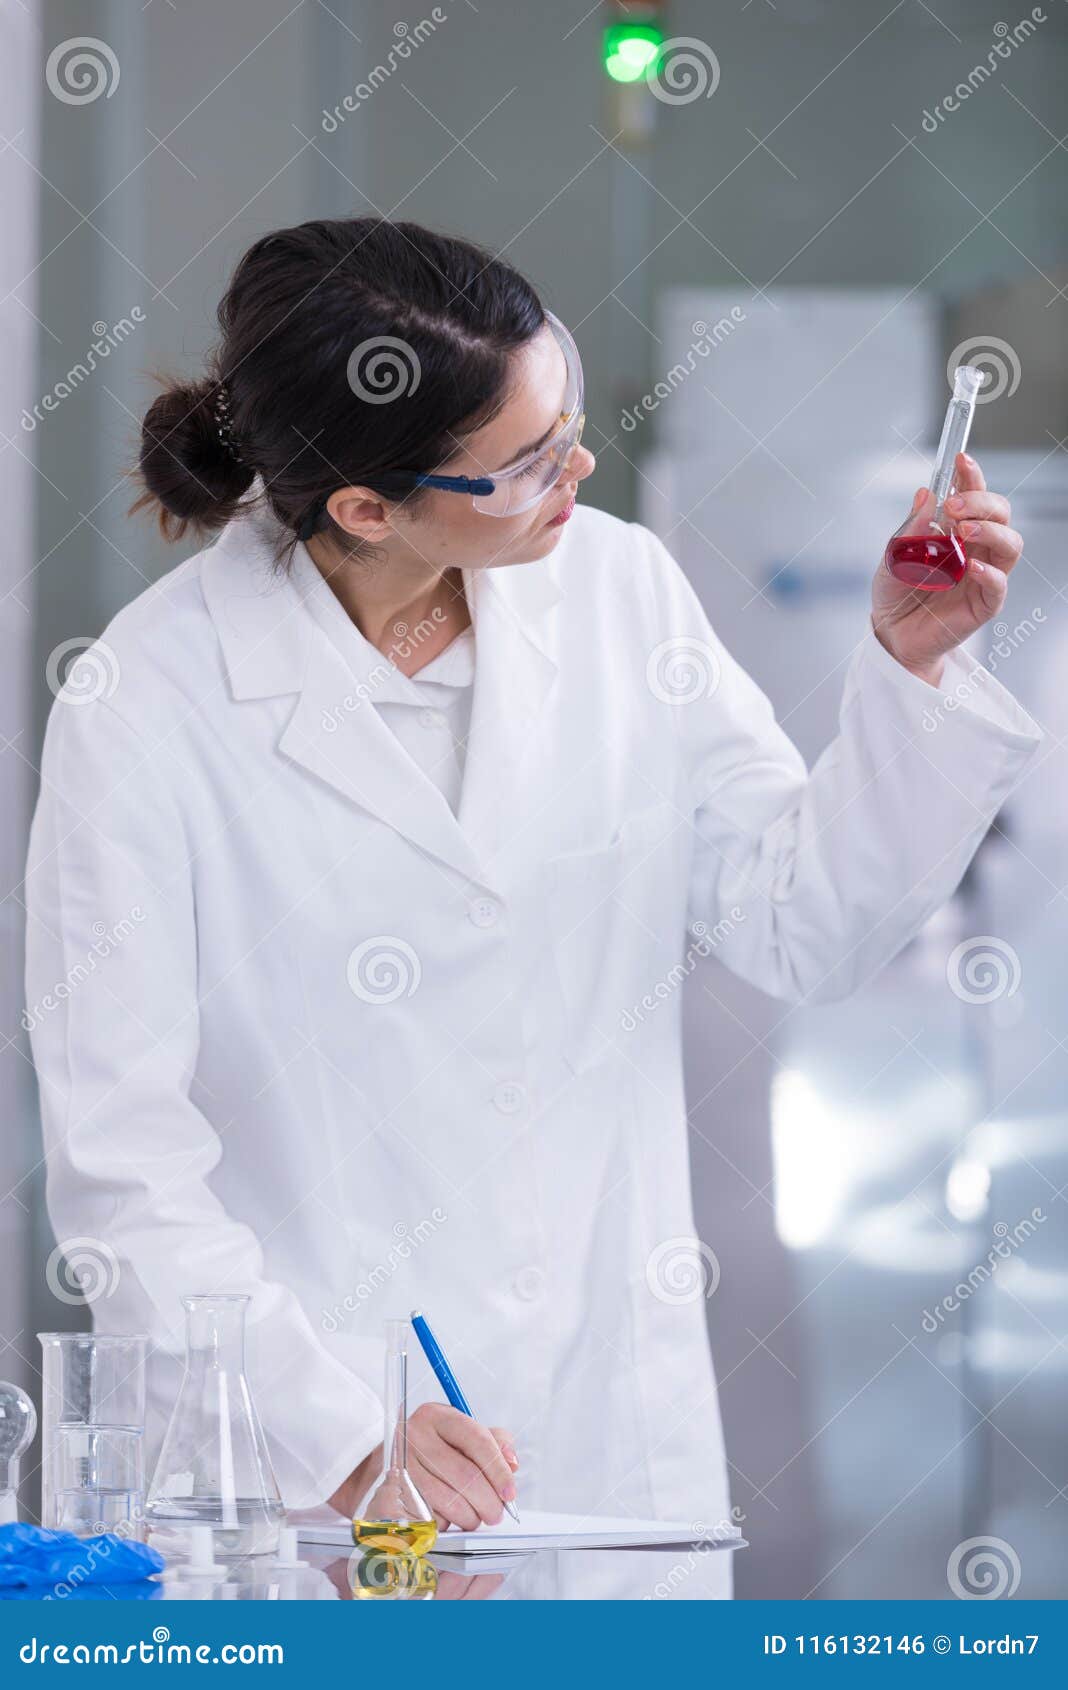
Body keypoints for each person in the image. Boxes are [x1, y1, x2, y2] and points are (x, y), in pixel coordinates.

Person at [24, 218, 1042, 1577]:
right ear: (366, 508)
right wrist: (340, 1438)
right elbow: (123, 1168)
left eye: (563, 413)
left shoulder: (619, 591)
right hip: (305, 1494)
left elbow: (801, 922)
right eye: (526, 462)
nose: (580, 467)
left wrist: (910, 677)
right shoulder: (148, 704)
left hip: (604, 1437)